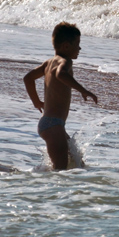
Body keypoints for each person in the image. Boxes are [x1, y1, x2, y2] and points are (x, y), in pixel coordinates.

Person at [23, 23, 98, 170]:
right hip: (54, 126)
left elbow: (28, 78)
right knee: (60, 172)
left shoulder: (48, 62)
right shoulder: (65, 61)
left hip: (50, 124)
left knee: (77, 163)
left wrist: (36, 102)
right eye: (78, 44)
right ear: (66, 46)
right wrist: (83, 90)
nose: (80, 48)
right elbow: (60, 74)